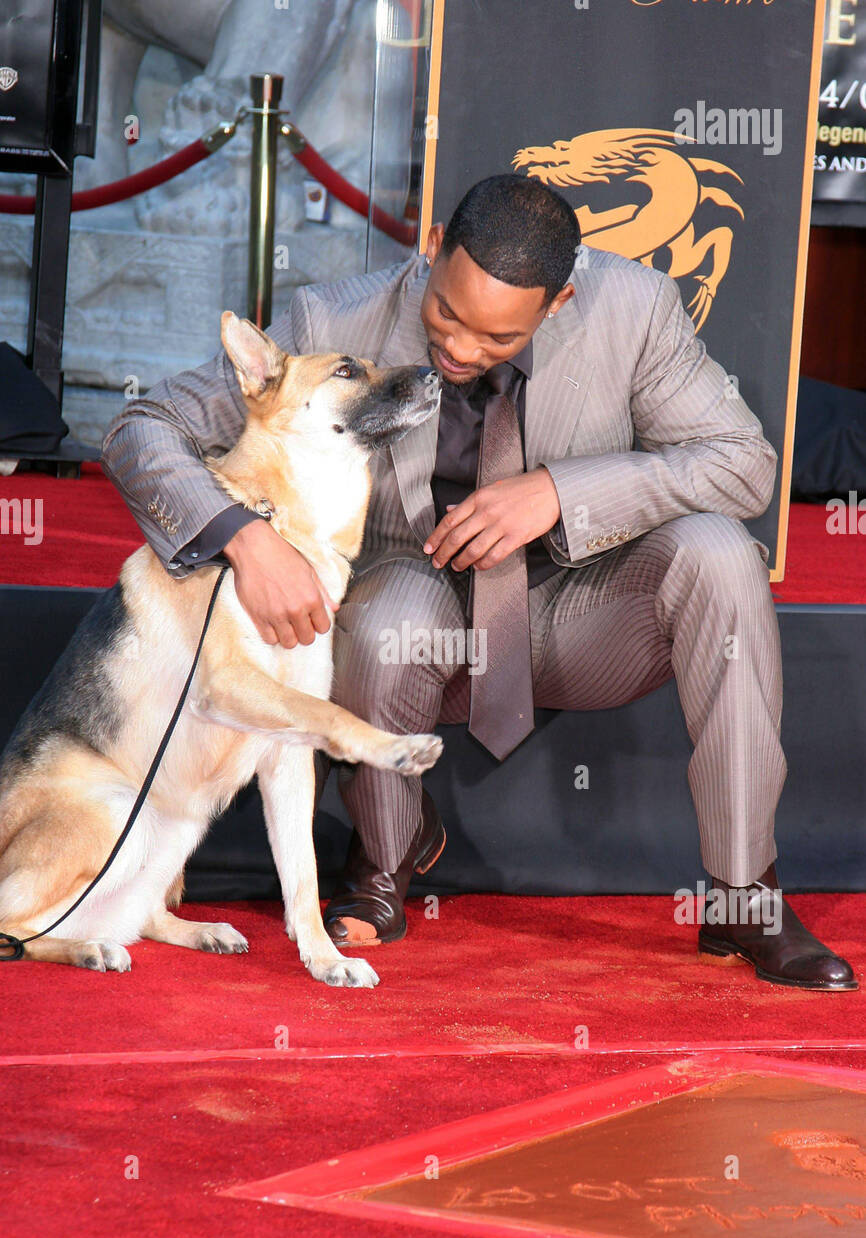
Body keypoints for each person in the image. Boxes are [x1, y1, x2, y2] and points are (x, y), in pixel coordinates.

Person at [101, 173, 856, 991]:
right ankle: (383, 863)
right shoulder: (333, 321)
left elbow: (743, 466)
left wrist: (561, 493)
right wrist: (246, 540)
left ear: (559, 302)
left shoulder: (633, 312)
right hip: (401, 611)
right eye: (446, 315)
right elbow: (144, 430)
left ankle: (744, 895)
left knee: (720, 554)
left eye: (496, 338)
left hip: (579, 608)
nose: (460, 348)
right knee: (388, 614)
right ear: (432, 250)